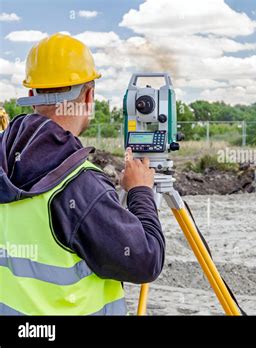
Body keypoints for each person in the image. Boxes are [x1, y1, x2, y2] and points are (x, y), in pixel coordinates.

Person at [0, 33, 165, 315]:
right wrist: (140, 192)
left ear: (31, 95)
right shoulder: (79, 185)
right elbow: (146, 260)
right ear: (89, 96)